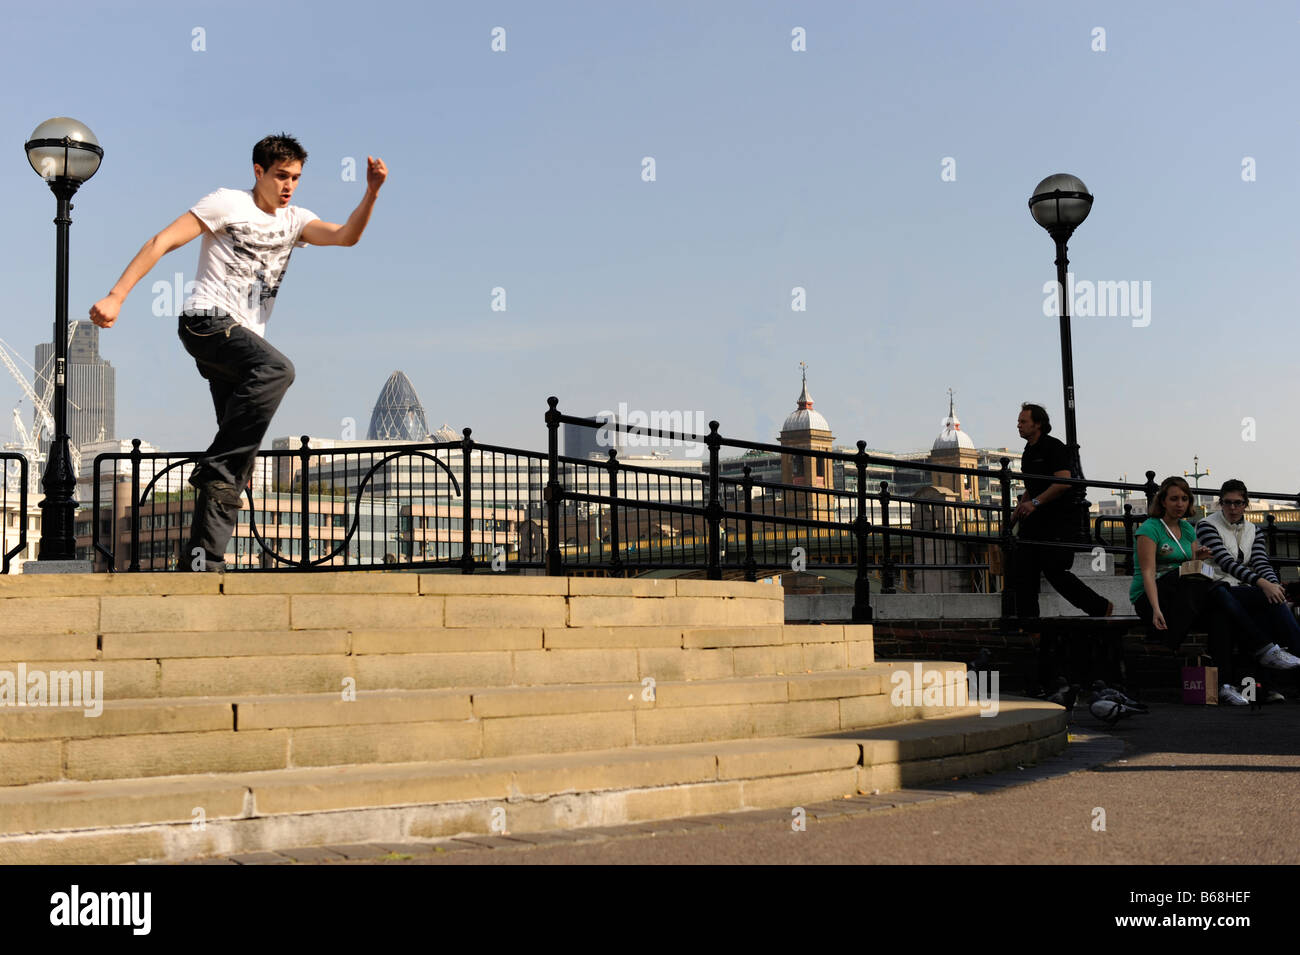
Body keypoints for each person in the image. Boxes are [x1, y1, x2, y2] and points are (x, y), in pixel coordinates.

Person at [88, 134, 387, 571]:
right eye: (281, 176)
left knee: (238, 458)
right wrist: (117, 295)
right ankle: (215, 468)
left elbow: (345, 237)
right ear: (258, 172)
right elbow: (163, 241)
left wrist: (372, 192)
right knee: (278, 369)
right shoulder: (227, 203)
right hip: (205, 322)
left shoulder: (296, 220)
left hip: (240, 342)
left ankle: (202, 557)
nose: (288, 186)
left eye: (296, 178)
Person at [1132, 476, 1299, 705]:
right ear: (1162, 501)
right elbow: (1149, 573)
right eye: (1173, 499)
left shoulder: (1189, 529)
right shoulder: (1155, 528)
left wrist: (1273, 585)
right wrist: (1155, 609)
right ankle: (1265, 650)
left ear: (1246, 504)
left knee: (1230, 611)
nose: (1179, 504)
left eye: (1183, 499)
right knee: (1217, 589)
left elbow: (1192, 566)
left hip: (1190, 594)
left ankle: (1227, 685)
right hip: (1158, 595)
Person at [1196, 479, 1300, 701]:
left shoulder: (1254, 530)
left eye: (1238, 503)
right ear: (1220, 503)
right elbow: (1226, 563)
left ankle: (1262, 686)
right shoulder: (1207, 525)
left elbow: (1262, 563)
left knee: (1271, 602)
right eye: (1227, 503)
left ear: (1246, 504)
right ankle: (1277, 663)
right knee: (1267, 600)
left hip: (1242, 589)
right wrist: (1264, 585)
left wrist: (1275, 586)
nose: (1232, 508)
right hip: (1217, 587)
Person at [1011, 403, 1112, 620]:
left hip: (1057, 520)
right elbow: (1032, 484)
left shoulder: (1054, 447)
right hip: (1035, 521)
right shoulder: (1029, 451)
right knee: (1024, 571)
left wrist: (1034, 503)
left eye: (1023, 422)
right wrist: (1022, 505)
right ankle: (1030, 625)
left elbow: (1064, 481)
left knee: (1055, 572)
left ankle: (1100, 607)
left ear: (1037, 424)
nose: (1018, 425)